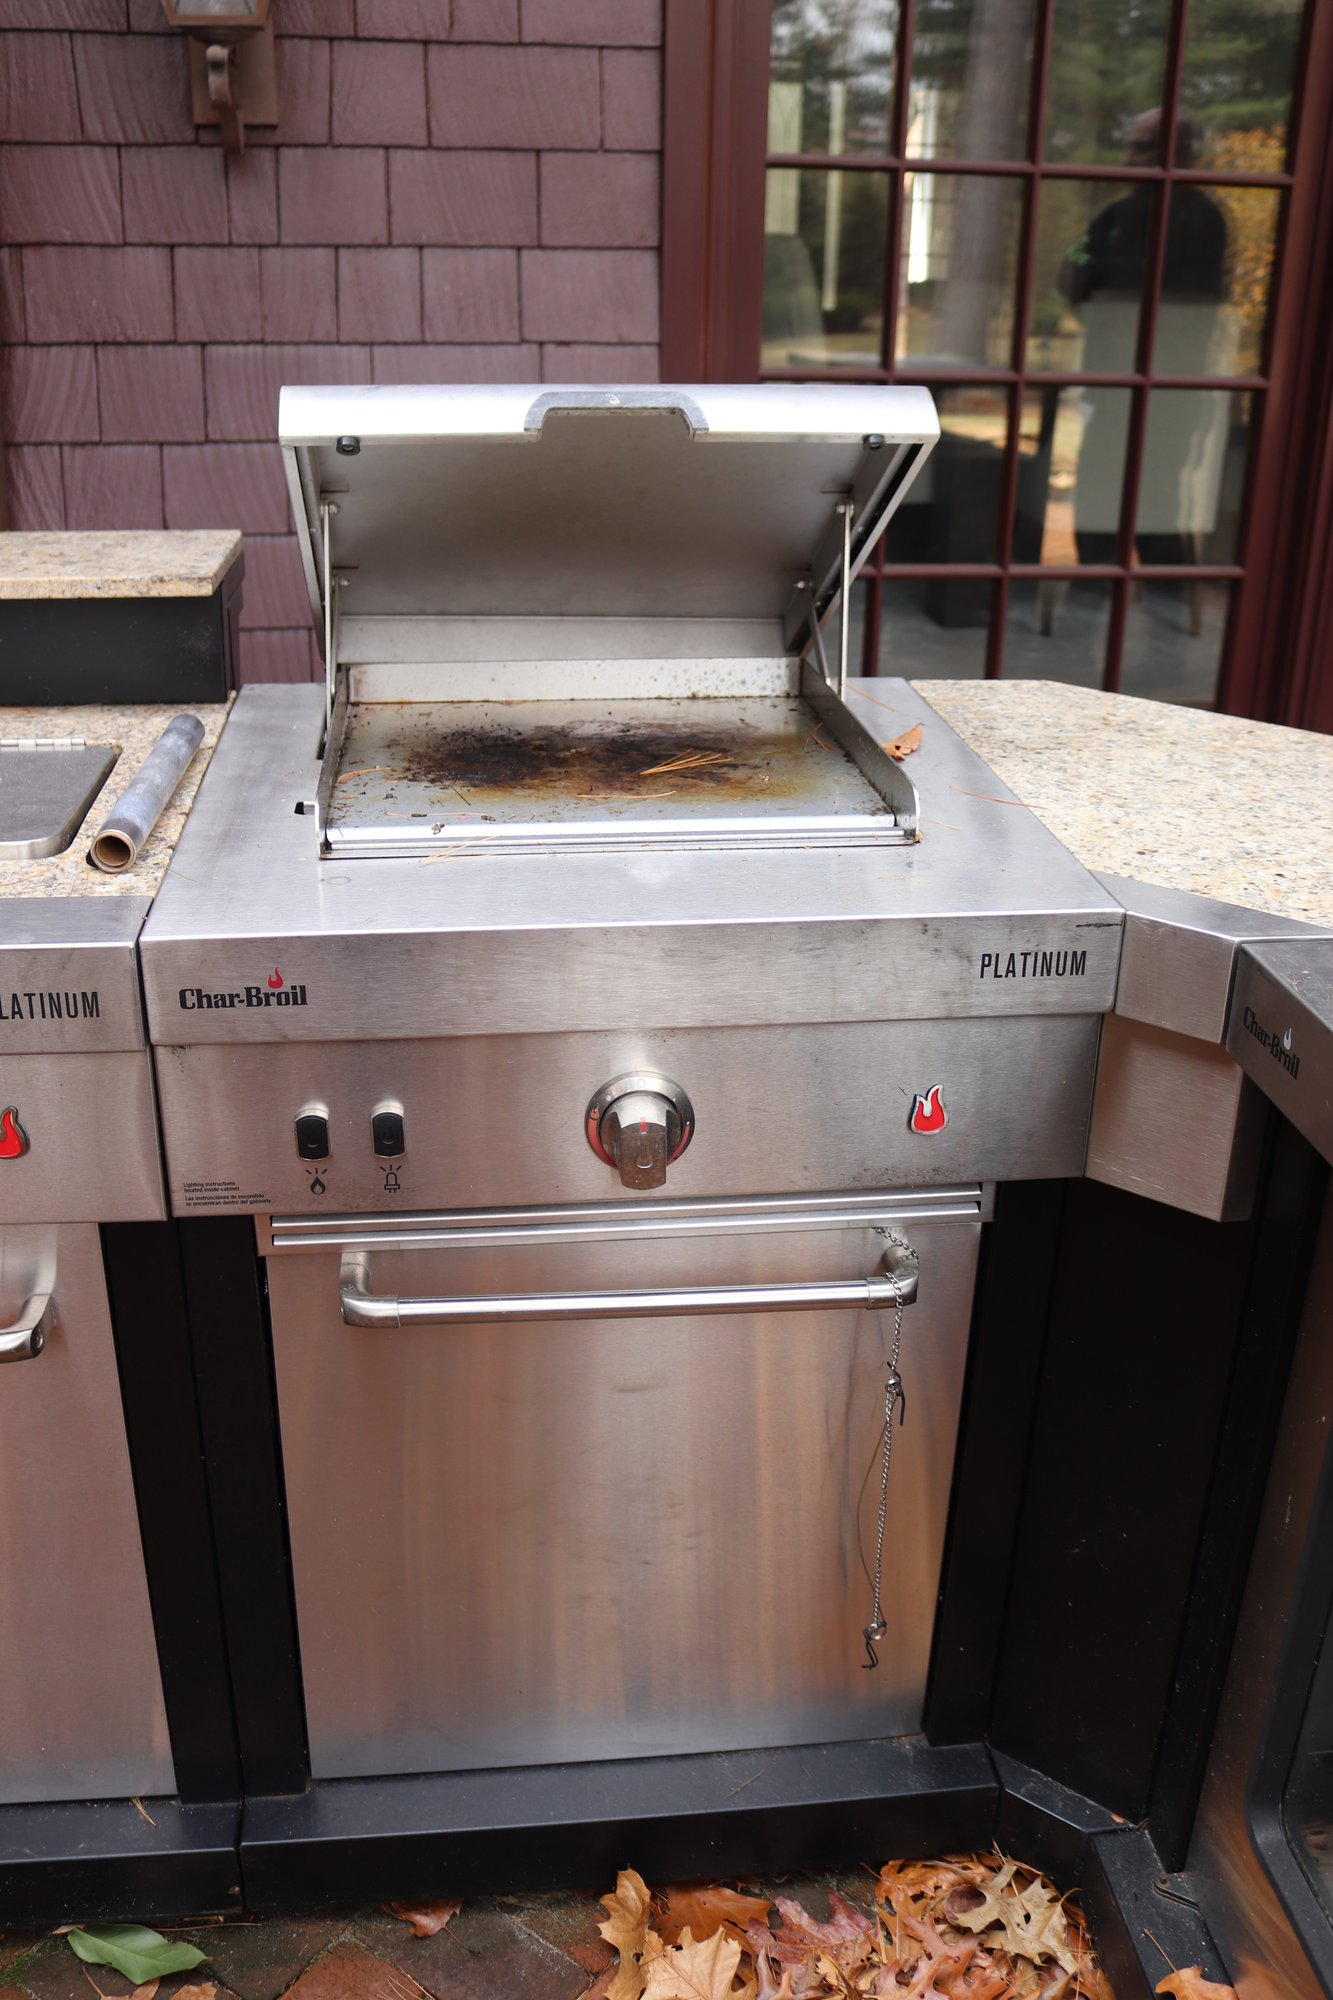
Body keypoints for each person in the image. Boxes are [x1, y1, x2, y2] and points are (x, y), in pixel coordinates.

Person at [1058, 109, 1230, 568]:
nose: (1127, 157)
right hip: (1160, 385)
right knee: (1151, 496)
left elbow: (1084, 278)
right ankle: (1155, 593)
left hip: (1144, 385)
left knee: (1118, 496)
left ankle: (1105, 590)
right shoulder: (1199, 215)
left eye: (1140, 146)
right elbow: (1076, 273)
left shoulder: (1135, 216)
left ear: (1180, 151)